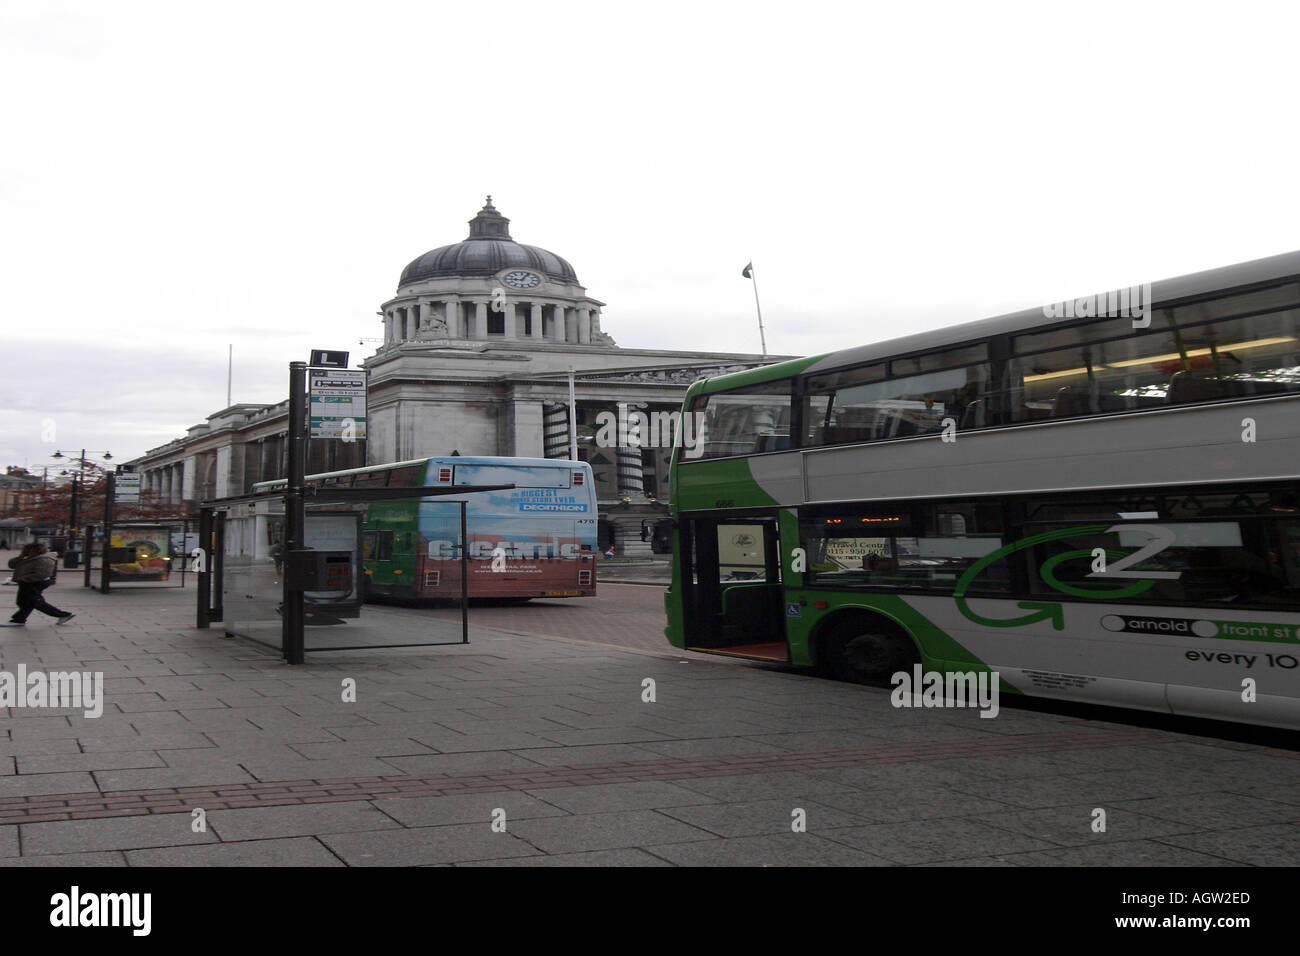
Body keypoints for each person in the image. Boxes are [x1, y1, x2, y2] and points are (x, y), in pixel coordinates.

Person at [2, 543, 75, 626]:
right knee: (23, 602)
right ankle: (19, 619)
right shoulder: (28, 558)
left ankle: (63, 614)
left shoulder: (44, 559)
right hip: (26, 582)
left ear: (34, 551)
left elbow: (42, 574)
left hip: (35, 583)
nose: (24, 551)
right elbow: (11, 565)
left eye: (26, 550)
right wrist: (21, 557)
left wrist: (23, 579)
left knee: (35, 602)